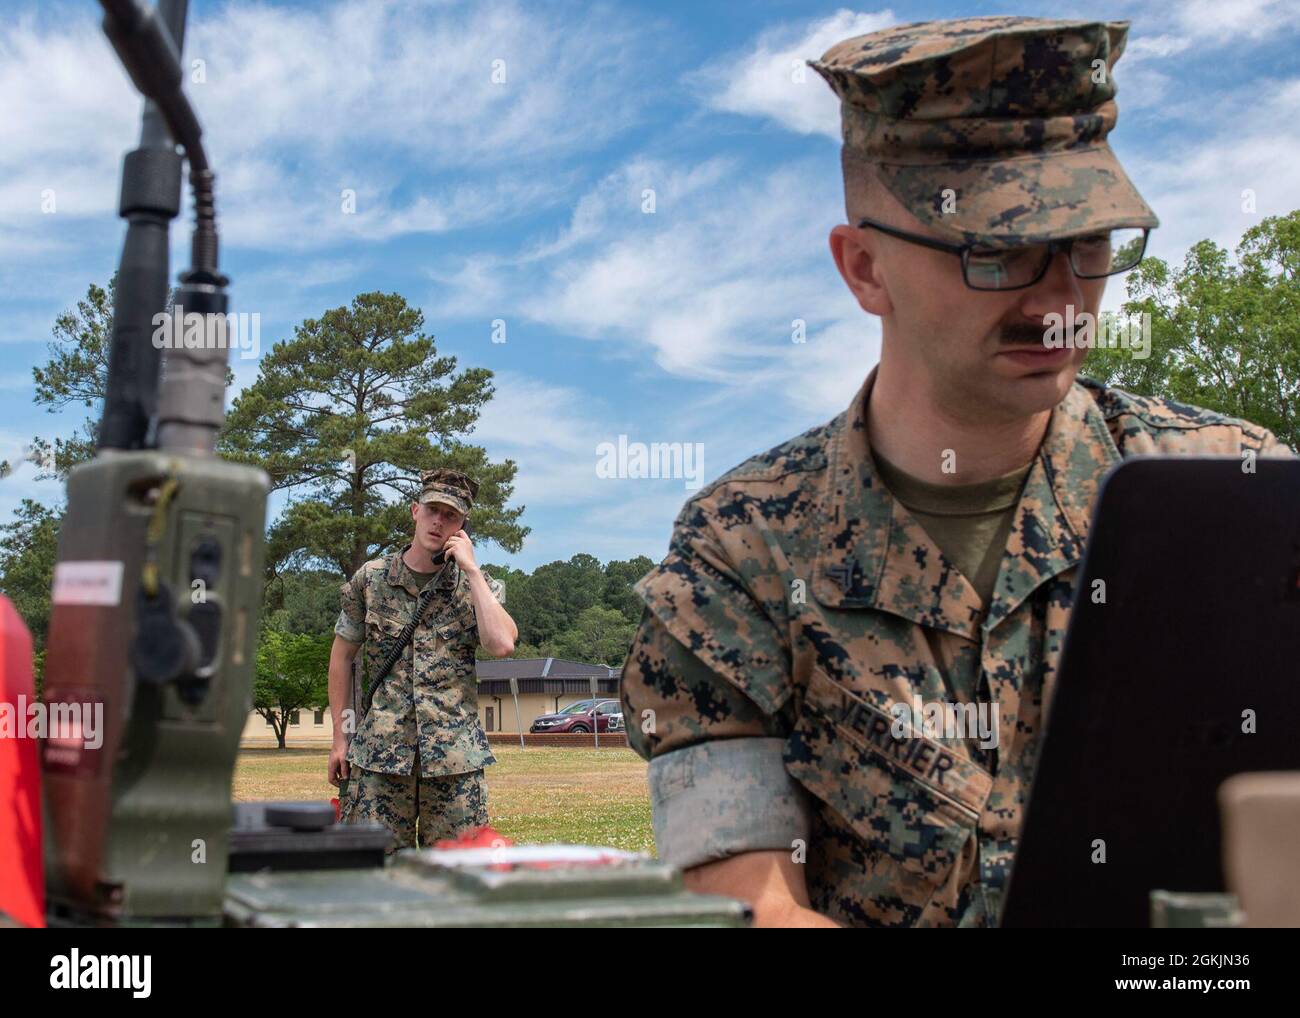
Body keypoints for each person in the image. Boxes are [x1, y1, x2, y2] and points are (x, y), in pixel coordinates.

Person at [619, 16, 1294, 927]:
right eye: (998, 252)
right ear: (865, 269)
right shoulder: (744, 549)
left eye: (1089, 245)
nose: (1060, 301)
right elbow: (746, 901)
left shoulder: (1238, 492)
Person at [328, 468, 517, 849]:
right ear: (415, 510)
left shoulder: (476, 586)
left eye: (451, 516)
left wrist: (473, 572)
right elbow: (341, 658)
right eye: (432, 509)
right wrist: (339, 738)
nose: (438, 521)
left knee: (459, 876)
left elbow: (501, 644)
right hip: (380, 759)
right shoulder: (372, 580)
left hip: (454, 763)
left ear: (463, 526)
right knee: (375, 874)